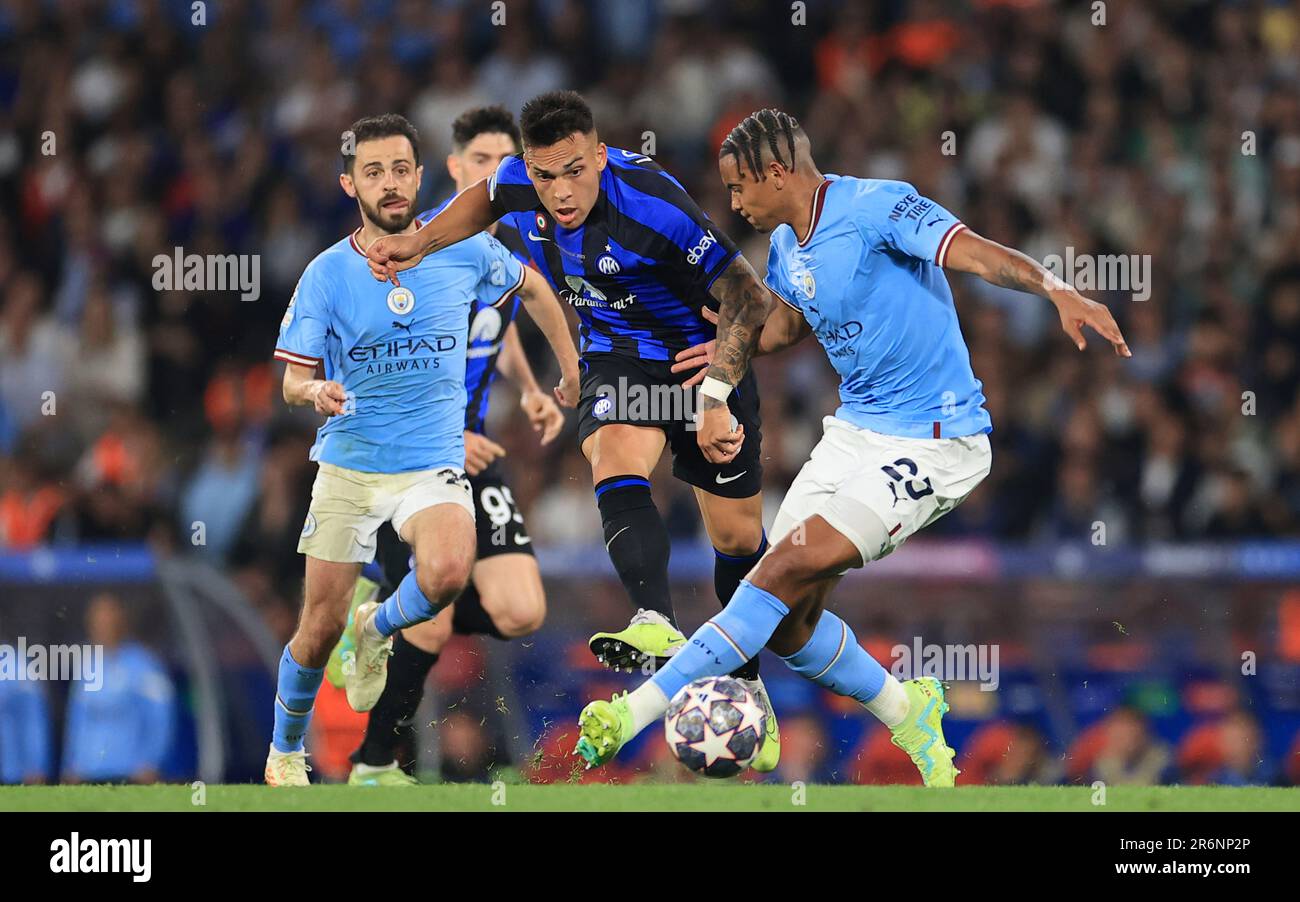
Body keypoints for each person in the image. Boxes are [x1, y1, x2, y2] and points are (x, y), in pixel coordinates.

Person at [574, 108, 1130, 786]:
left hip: (935, 442)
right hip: (854, 434)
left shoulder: (879, 206)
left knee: (773, 576)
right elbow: (782, 330)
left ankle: (633, 715)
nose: (734, 203)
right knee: (784, 621)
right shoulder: (786, 247)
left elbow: (976, 252)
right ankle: (907, 707)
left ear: (774, 173)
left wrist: (1054, 286)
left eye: (739, 188)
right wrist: (728, 341)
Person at [366, 91, 784, 772]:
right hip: (619, 360)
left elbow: (749, 295)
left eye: (572, 172)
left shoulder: (653, 202)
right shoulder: (518, 184)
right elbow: (483, 199)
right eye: (543, 175)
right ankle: (654, 618)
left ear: (598, 155)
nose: (558, 192)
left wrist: (715, 389)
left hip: (696, 361)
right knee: (613, 452)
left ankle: (749, 686)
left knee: (737, 538)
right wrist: (416, 240)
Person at [266, 113, 579, 786]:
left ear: (420, 176)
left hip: (430, 466)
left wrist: (569, 366)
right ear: (350, 184)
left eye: (401, 169)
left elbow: (530, 288)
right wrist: (312, 391)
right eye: (373, 172)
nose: (390, 183)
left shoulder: (462, 251)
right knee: (319, 628)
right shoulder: (326, 274)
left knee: (443, 573)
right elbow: (291, 378)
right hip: (349, 464)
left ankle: (378, 625)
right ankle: (285, 751)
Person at [62, 593, 174, 784]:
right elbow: (78, 720)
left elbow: (160, 718)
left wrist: (151, 761)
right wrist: (71, 764)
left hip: (130, 771)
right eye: (96, 621)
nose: (101, 627)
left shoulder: (144, 665)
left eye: (107, 621)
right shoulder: (88, 666)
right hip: (89, 771)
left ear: (120, 622)